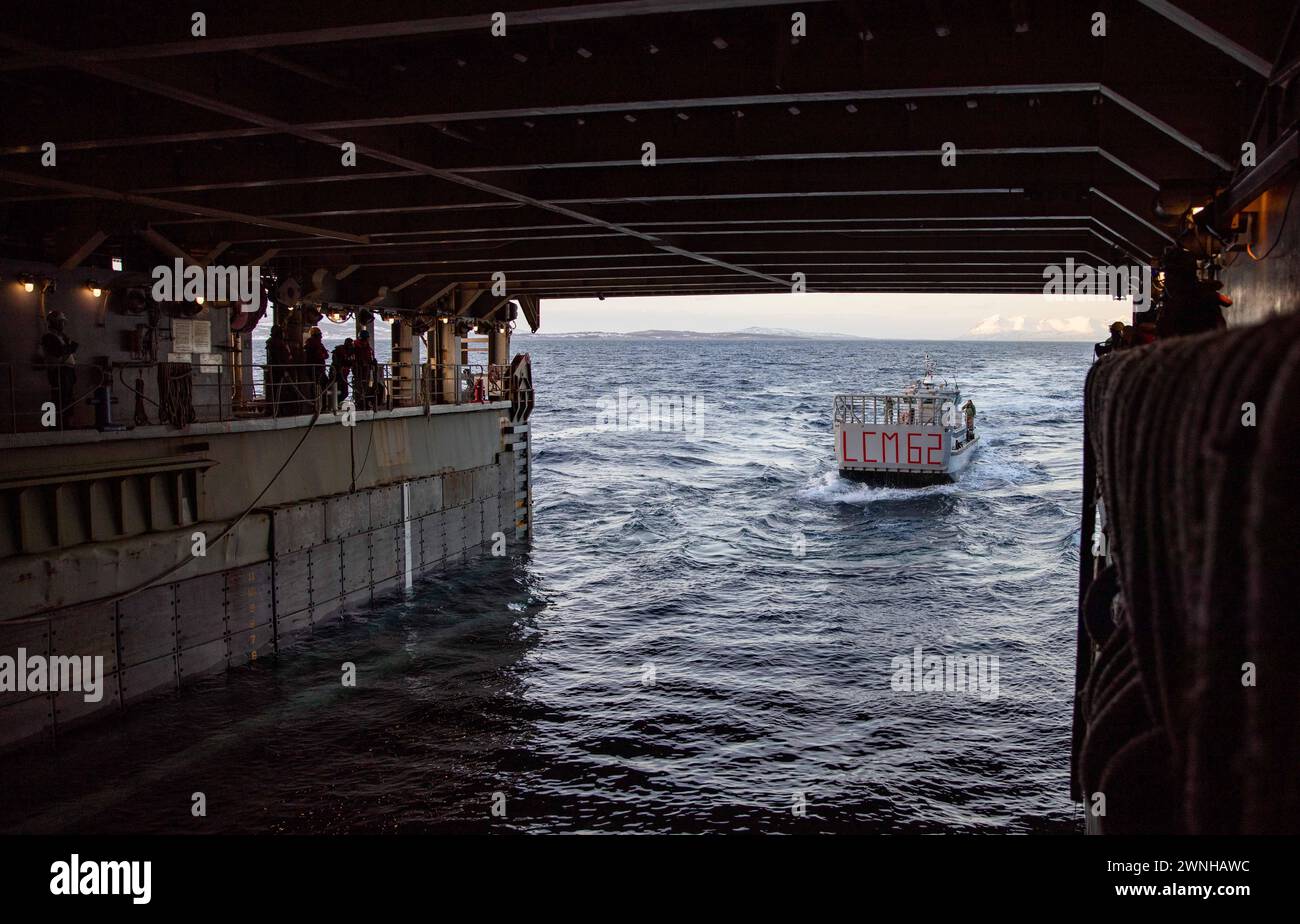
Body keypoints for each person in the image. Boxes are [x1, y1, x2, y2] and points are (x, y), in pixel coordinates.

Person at [40, 310, 78, 428]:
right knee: (60, 398)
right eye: (60, 322)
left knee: (67, 398)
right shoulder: (49, 337)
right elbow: (59, 352)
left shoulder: (62, 338)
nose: (63, 325)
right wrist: (71, 347)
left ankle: (65, 425)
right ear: (53, 323)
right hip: (59, 371)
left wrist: (69, 345)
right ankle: (54, 426)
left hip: (66, 370)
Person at [266, 325, 292, 415]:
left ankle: (277, 410)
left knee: (278, 392)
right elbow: (278, 358)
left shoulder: (273, 343)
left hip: (277, 370)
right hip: (279, 371)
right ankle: (280, 411)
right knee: (280, 392)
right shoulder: (277, 344)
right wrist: (283, 370)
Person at [305, 327, 329, 402]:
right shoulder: (317, 344)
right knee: (322, 385)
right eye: (320, 334)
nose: (321, 336)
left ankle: (318, 404)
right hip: (318, 369)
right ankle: (321, 404)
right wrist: (322, 355)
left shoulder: (309, 344)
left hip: (314, 369)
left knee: (316, 386)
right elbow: (324, 355)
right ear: (317, 335)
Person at [355, 330, 376, 409]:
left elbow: (369, 355)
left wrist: (372, 362)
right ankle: (360, 402)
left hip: (366, 369)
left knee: (366, 386)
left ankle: (364, 402)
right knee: (360, 386)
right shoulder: (358, 346)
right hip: (360, 370)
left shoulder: (366, 346)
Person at [330, 337, 355, 404]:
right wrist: (340, 368)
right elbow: (335, 361)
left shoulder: (351, 352)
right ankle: (334, 404)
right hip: (336, 373)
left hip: (344, 374)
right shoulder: (339, 350)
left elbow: (351, 362)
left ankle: (336, 403)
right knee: (336, 390)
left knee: (344, 392)